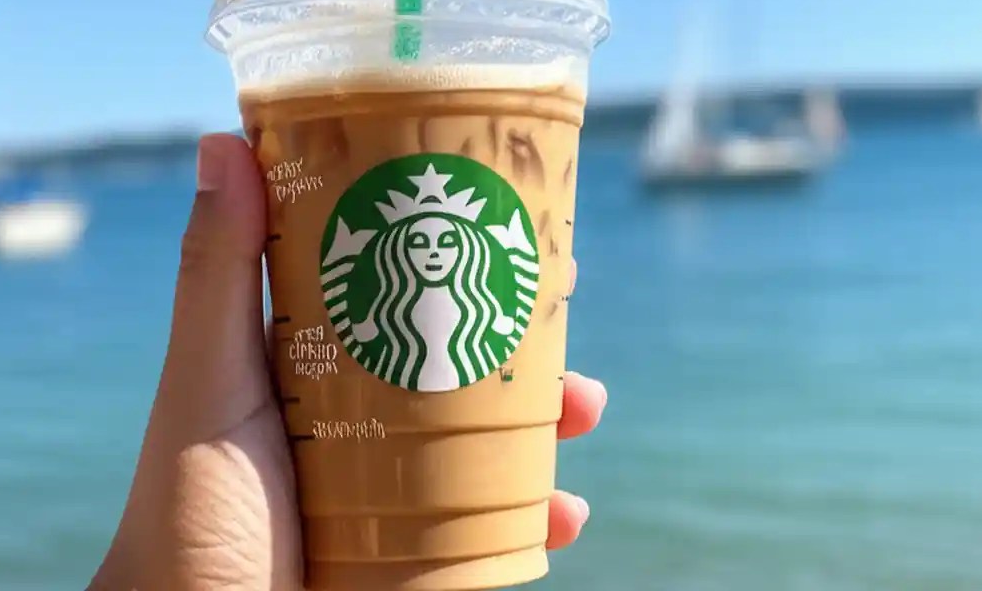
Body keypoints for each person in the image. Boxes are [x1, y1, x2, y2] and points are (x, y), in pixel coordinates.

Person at [87, 134, 608, 590]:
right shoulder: (385, 312)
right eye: (418, 239)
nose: (434, 252)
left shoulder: (479, 318)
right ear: (396, 250)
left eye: (448, 239)